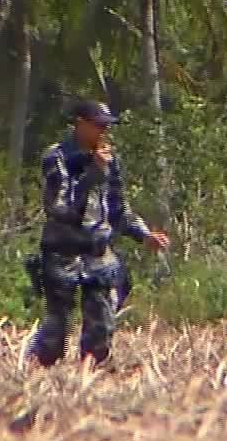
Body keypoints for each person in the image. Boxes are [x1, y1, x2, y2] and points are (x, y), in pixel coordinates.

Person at [29, 100, 170, 367]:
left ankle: (92, 376)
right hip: (63, 252)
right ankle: (39, 374)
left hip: (97, 252)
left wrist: (144, 235)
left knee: (101, 327)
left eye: (107, 126)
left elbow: (118, 209)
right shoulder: (57, 157)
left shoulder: (108, 160)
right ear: (80, 124)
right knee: (56, 330)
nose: (104, 131)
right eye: (99, 125)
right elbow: (59, 208)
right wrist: (93, 174)